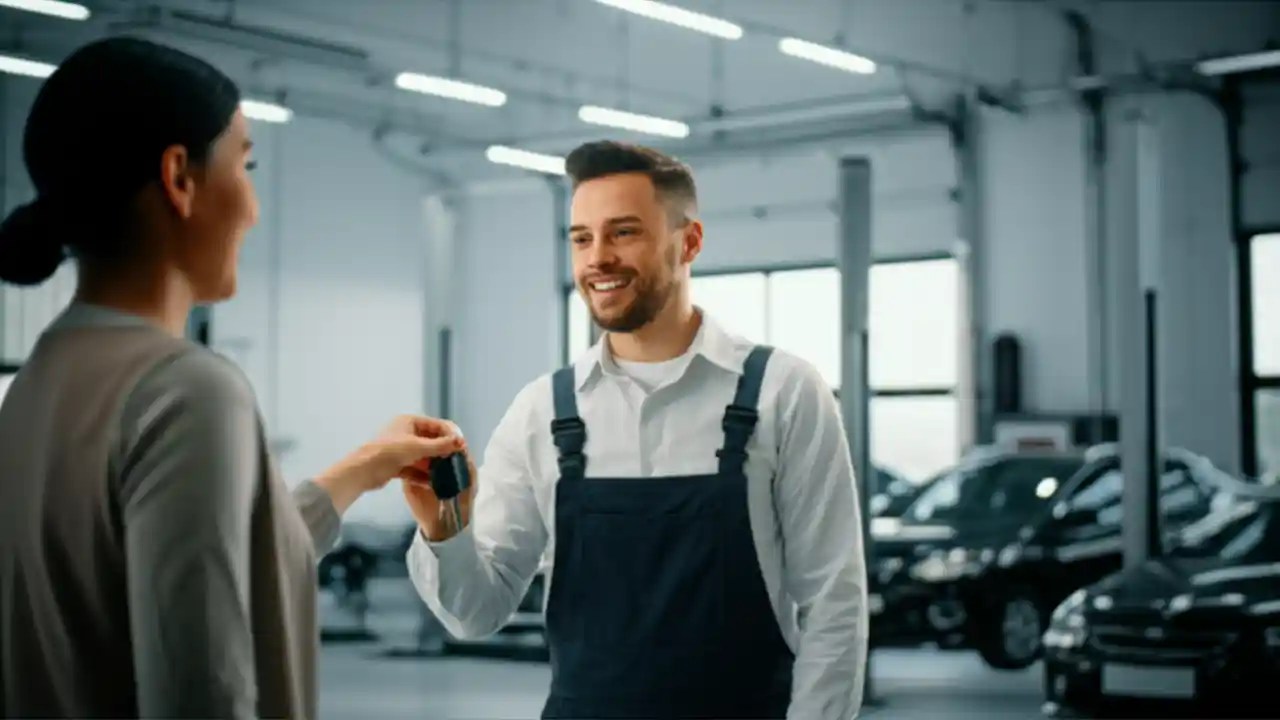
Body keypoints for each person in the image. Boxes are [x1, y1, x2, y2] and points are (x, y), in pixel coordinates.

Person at [0, 37, 463, 719]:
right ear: (179, 178)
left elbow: (236, 564)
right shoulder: (186, 389)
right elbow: (204, 690)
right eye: (244, 166)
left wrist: (365, 468)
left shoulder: (37, 383)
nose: (252, 207)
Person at [404, 140, 868, 718]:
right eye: (581, 238)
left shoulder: (783, 391)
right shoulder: (542, 411)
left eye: (623, 232)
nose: (598, 258)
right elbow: (477, 614)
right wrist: (444, 528)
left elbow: (834, 603)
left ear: (689, 242)